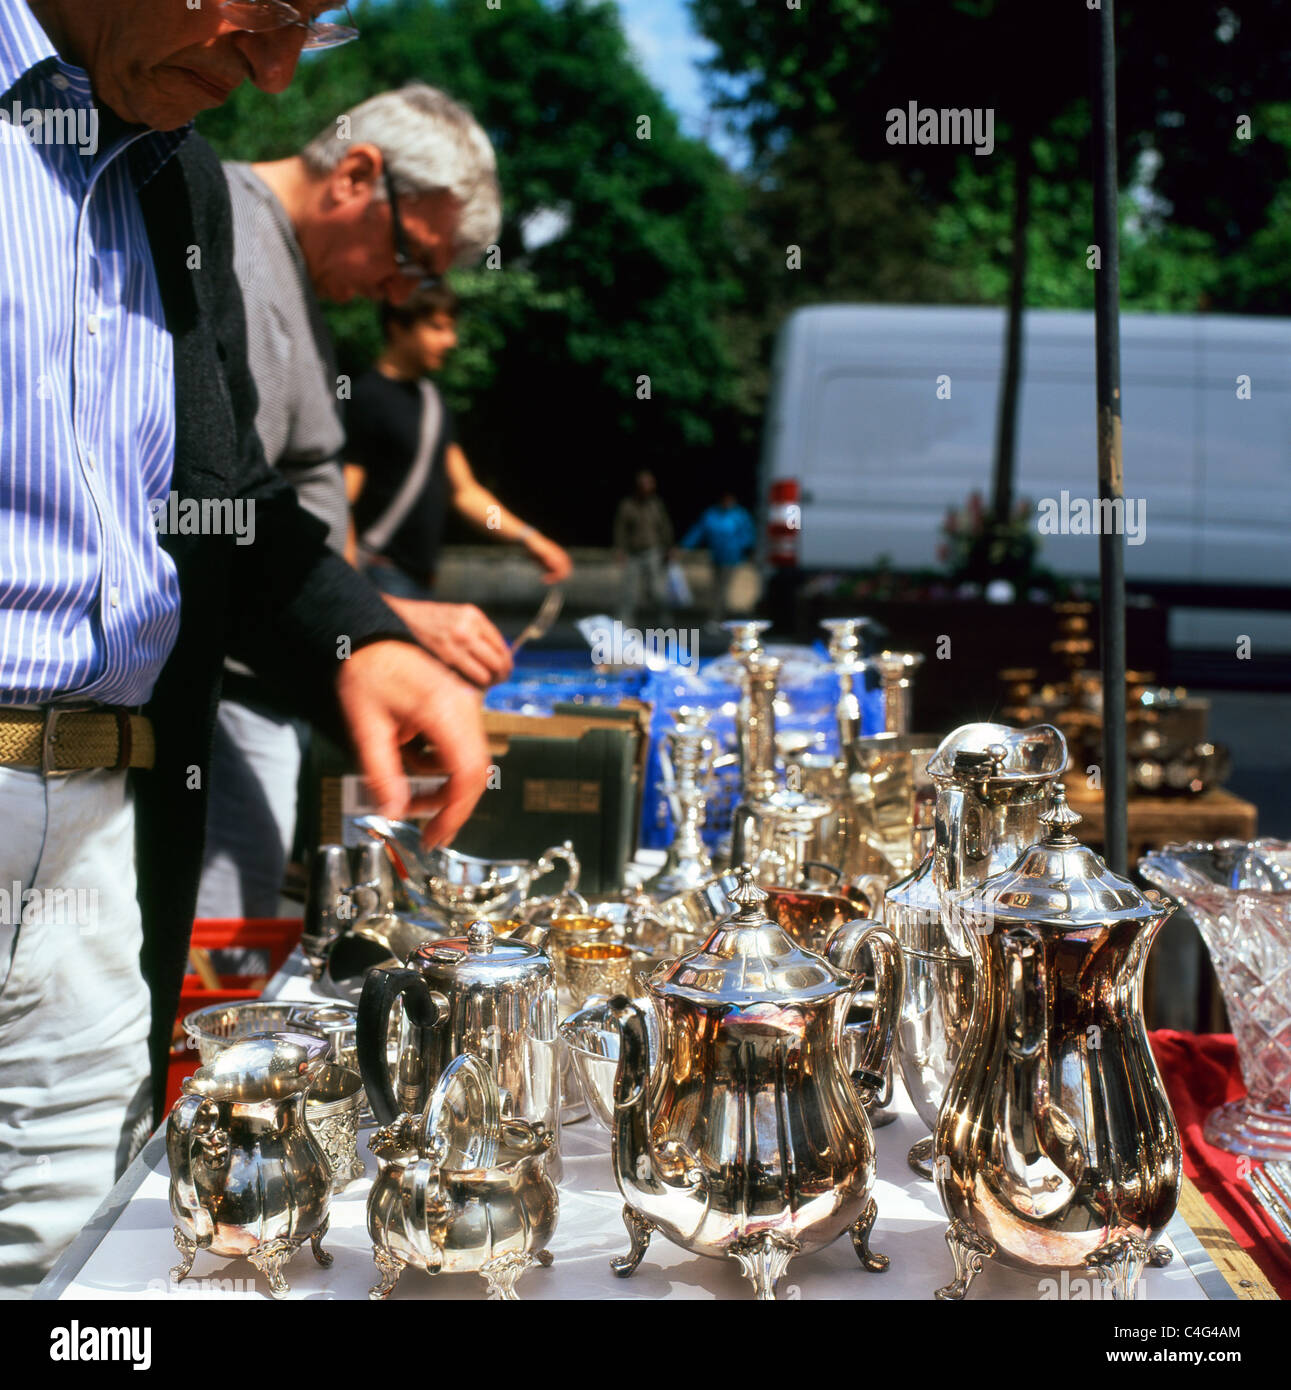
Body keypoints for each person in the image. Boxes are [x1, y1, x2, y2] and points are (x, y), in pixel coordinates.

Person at [0, 0, 489, 1293]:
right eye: (266, 13)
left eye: (311, 34)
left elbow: (223, 489)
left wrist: (355, 640)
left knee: (80, 1277)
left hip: (103, 831)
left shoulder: (179, 177)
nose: (275, 69)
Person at [197, 86, 513, 919]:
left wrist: (382, 618)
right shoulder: (231, 234)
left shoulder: (284, 258)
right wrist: (369, 628)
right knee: (216, 976)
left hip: (261, 690)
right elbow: (229, 512)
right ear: (357, 175)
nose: (399, 292)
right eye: (410, 256)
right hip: (222, 703)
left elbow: (276, 528)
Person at [345, 282, 573, 602]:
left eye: (451, 329)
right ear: (397, 327)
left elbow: (465, 491)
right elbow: (341, 500)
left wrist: (529, 539)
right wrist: (348, 590)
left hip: (420, 580)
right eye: (437, 328)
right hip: (377, 576)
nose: (450, 341)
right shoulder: (363, 398)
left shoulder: (433, 401)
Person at [680, 491, 757, 626]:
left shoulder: (739, 515)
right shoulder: (711, 515)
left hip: (732, 557)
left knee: (723, 588)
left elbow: (748, 534)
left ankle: (718, 618)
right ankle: (720, 617)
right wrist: (685, 546)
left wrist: (742, 547)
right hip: (717, 557)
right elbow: (698, 531)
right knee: (717, 588)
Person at [613, 470, 675, 624]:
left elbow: (665, 527)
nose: (647, 487)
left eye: (650, 484)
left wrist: (669, 547)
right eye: (644, 484)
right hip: (633, 553)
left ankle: (664, 619)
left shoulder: (656, 504)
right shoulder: (628, 505)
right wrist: (620, 549)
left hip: (653, 551)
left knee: (657, 590)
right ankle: (625, 622)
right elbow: (620, 528)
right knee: (629, 590)